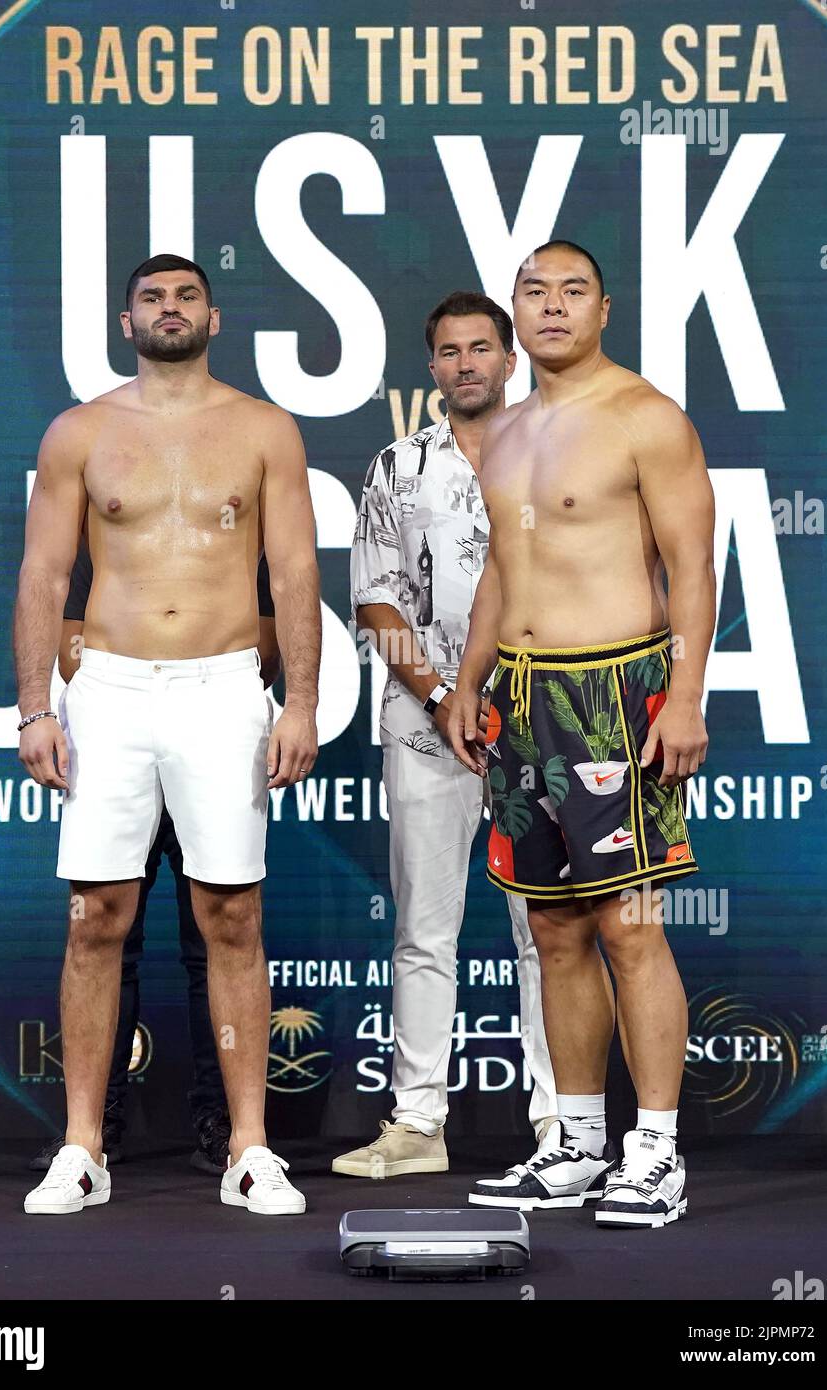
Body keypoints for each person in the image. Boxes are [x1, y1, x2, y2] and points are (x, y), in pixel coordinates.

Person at [16, 253, 320, 1217]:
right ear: (126, 319)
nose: (171, 308)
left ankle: (250, 1148)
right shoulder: (81, 431)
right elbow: (41, 576)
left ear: (214, 316)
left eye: (187, 295)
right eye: (154, 297)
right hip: (107, 688)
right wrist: (35, 708)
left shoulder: (265, 429)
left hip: (225, 685)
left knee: (232, 916)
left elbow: (297, 573)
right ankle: (80, 1148)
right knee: (95, 916)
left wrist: (301, 704)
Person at [452, 241, 715, 1228]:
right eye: (534, 291)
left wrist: (685, 694)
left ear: (605, 307)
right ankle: (576, 1139)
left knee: (629, 924)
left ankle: (656, 1153)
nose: (552, 307)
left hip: (616, 693)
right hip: (522, 697)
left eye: (572, 292)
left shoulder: (646, 419)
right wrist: (469, 680)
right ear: (514, 309)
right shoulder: (507, 430)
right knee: (552, 927)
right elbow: (500, 573)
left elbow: (694, 568)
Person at [336, 291, 559, 1181]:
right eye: (449, 352)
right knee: (426, 931)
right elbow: (375, 597)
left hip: (544, 724)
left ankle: (563, 1124)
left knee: (548, 932)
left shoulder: (561, 453)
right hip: (428, 728)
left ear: (509, 359)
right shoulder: (398, 465)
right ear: (430, 369)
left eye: (481, 348)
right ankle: (418, 1124)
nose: (466, 364)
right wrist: (439, 696)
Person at [28, 543, 281, 1176]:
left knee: (218, 935)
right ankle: (94, 1129)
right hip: (120, 738)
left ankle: (227, 1126)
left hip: (211, 738)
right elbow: (70, 646)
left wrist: (202, 708)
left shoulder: (236, 537)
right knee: (106, 931)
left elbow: (266, 652)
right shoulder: (103, 536)